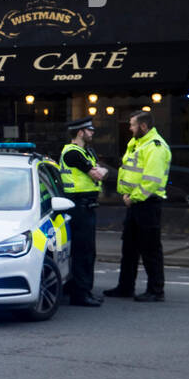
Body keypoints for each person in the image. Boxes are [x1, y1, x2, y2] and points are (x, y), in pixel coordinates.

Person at [105, 110, 172, 302]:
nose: (130, 128)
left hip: (147, 203)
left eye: (132, 124)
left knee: (150, 249)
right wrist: (127, 195)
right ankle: (125, 287)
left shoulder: (155, 147)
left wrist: (132, 198)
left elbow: (151, 180)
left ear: (143, 126)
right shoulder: (137, 143)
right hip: (135, 203)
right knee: (129, 248)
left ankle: (156, 290)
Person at [59, 116, 110, 307]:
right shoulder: (73, 153)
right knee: (83, 251)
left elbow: (98, 170)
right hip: (79, 206)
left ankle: (83, 290)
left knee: (87, 251)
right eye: (89, 130)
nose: (92, 133)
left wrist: (100, 170)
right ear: (80, 132)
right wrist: (101, 172)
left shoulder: (85, 152)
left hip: (85, 206)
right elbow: (98, 173)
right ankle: (80, 294)